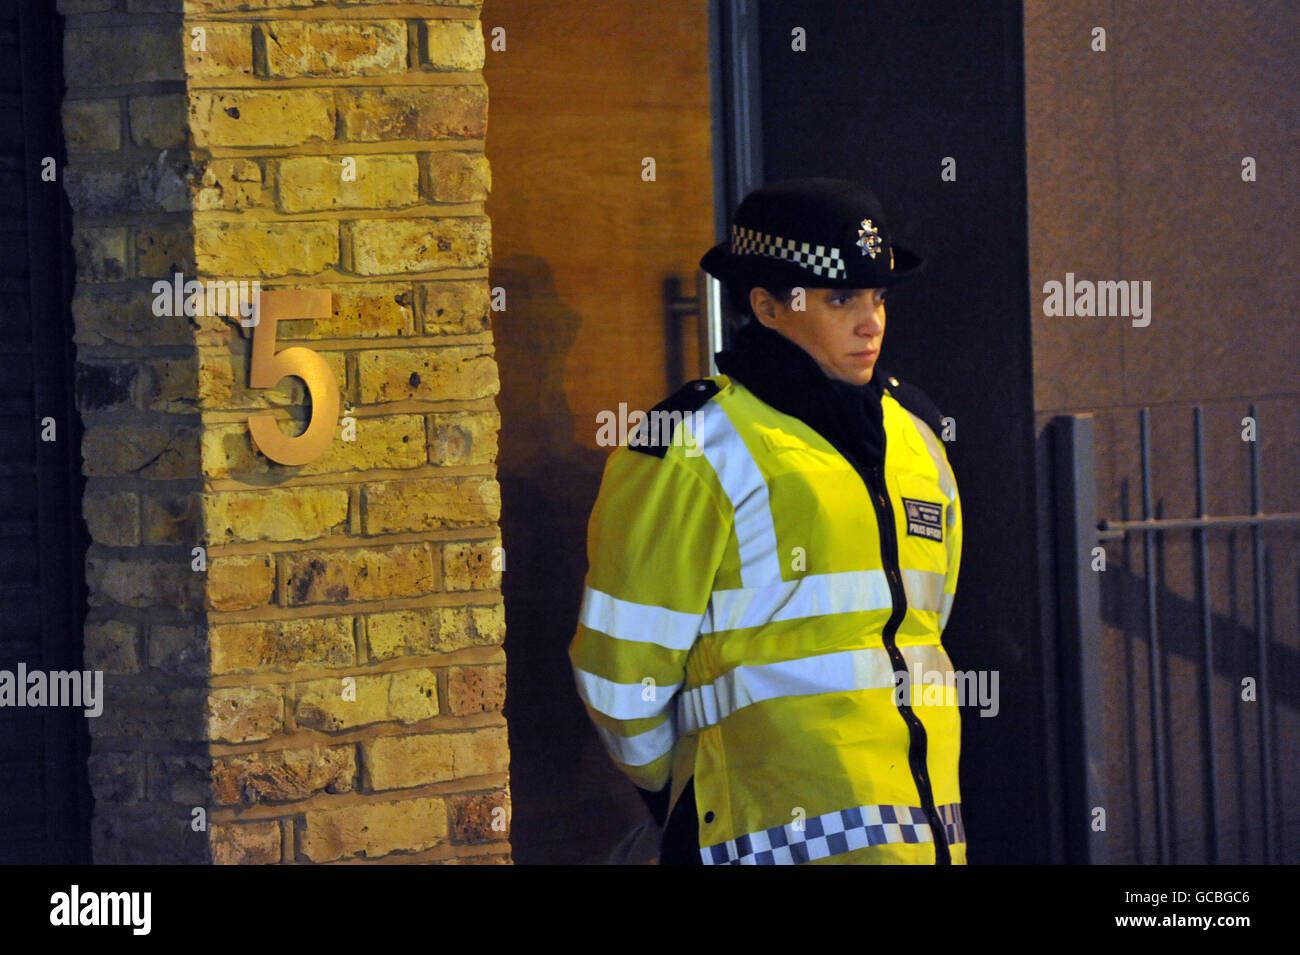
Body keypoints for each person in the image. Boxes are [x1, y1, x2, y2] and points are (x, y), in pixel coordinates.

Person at [569, 177, 965, 865]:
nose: (870, 321)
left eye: (876, 297)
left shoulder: (918, 438)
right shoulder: (690, 445)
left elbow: (927, 623)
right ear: (766, 306)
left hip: (921, 841)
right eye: (841, 299)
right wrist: (686, 792)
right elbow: (618, 670)